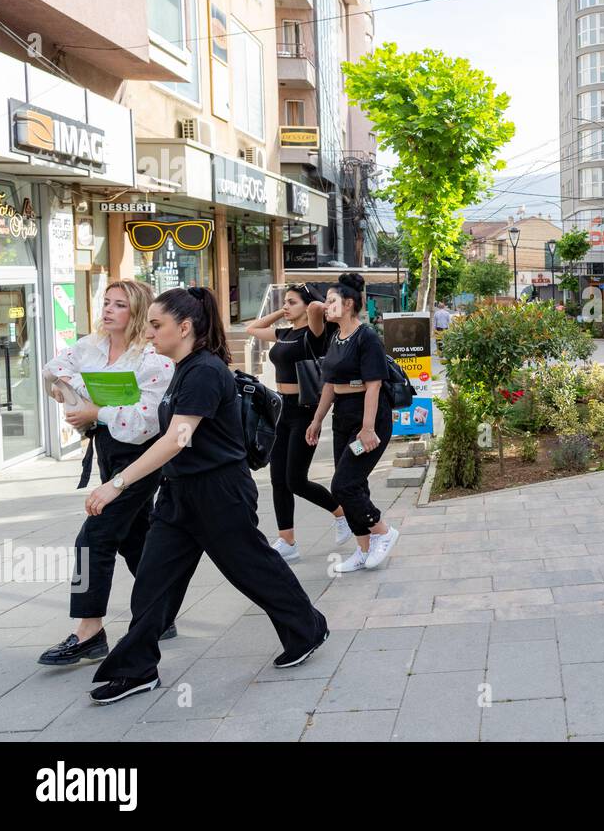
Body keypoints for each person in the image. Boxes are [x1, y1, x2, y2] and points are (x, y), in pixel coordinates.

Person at [85, 287, 329, 704]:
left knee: (252, 569)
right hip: (179, 494)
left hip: (219, 492)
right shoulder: (181, 369)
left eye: (156, 325)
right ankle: (136, 669)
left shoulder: (203, 371)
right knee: (153, 581)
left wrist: (116, 483)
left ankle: (308, 628)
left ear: (185, 327)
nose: (148, 332)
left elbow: (177, 438)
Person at [37, 280, 177, 667]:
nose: (108, 310)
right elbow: (53, 371)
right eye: (107, 302)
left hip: (142, 455)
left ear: (137, 312)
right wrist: (78, 399)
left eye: (119, 305)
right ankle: (161, 612)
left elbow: (147, 422)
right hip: (106, 447)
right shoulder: (92, 345)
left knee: (93, 536)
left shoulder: (152, 357)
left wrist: (94, 409)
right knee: (134, 535)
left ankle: (90, 632)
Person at [245, 283, 349, 562]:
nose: (286, 306)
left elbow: (315, 307)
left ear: (306, 305)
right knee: (278, 479)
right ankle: (287, 540)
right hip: (281, 409)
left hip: (305, 411)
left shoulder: (315, 333)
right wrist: (283, 312)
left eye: (292, 302)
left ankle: (341, 513)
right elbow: (252, 329)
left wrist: (314, 302)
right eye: (284, 302)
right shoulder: (284, 333)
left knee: (296, 480)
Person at [307, 273, 400, 573]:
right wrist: (317, 420)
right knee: (354, 483)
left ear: (348, 304)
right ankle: (363, 549)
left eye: (332, 301)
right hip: (343, 418)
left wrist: (368, 428)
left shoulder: (366, 337)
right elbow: (330, 385)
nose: (326, 306)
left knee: (343, 484)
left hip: (369, 419)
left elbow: (373, 385)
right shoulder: (335, 337)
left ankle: (382, 531)